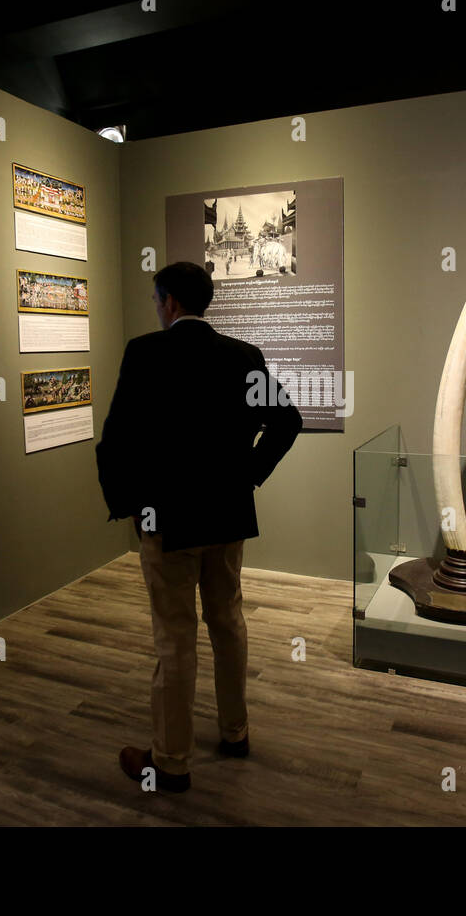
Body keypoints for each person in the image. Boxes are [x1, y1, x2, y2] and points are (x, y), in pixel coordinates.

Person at [96, 261, 302, 793]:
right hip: (226, 516)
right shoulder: (242, 356)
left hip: (166, 522)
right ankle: (235, 732)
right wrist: (248, 477)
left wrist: (128, 508)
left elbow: (115, 442)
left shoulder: (145, 352)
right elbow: (287, 421)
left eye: (155, 300)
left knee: (175, 637)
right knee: (228, 622)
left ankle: (171, 761)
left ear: (168, 303)